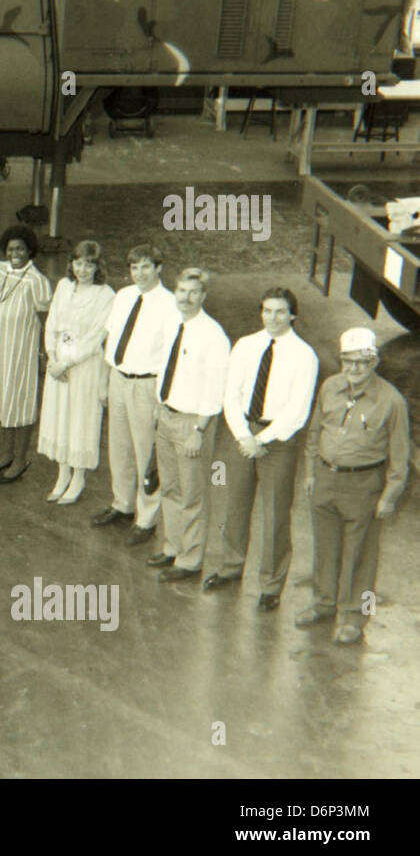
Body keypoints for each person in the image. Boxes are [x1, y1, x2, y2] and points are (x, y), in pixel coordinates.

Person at [204, 287, 319, 610]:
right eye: (267, 310)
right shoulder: (246, 345)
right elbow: (231, 394)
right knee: (234, 505)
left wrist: (263, 440)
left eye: (280, 311)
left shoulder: (304, 355)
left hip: (278, 440)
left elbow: (298, 409)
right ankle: (230, 566)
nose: (273, 317)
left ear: (293, 315)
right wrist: (244, 436)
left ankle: (270, 585)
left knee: (275, 515)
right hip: (243, 435)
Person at [296, 327, 410, 644]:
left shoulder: (391, 401)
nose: (355, 369)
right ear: (341, 361)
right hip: (326, 478)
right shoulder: (330, 388)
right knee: (326, 548)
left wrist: (389, 496)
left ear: (374, 361)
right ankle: (324, 603)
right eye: (348, 362)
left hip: (364, 485)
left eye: (362, 362)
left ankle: (355, 618)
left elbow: (400, 459)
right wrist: (310, 472)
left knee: (361, 556)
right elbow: (314, 433)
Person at [147, 269, 231, 583]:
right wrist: (159, 404)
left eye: (193, 292)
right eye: (181, 290)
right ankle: (172, 546)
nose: (186, 297)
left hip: (192, 424)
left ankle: (190, 559)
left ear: (204, 296)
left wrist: (199, 430)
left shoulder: (213, 336)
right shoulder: (173, 323)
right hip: (167, 416)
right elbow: (164, 366)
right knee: (169, 486)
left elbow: (215, 389)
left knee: (191, 494)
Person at [91, 244, 178, 546]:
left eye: (145, 267)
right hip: (118, 377)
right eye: (133, 267)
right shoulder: (124, 296)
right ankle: (122, 503)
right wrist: (105, 381)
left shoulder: (170, 305)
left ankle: (147, 517)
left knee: (145, 453)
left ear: (159, 268)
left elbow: (170, 358)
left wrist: (160, 399)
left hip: (146, 385)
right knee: (119, 447)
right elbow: (110, 341)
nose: (138, 273)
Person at [36, 240, 116, 504]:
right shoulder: (63, 286)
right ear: (71, 263)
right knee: (60, 416)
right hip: (58, 360)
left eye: (89, 264)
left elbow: (96, 339)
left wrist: (66, 363)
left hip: (83, 365)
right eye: (79, 262)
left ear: (97, 266)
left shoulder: (106, 295)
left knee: (80, 418)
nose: (83, 269)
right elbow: (51, 324)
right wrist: (52, 356)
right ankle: (62, 474)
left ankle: (78, 476)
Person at [0, 224, 53, 482]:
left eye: (20, 249)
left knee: (21, 404)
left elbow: (46, 321)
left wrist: (44, 354)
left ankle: (20, 458)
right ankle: (5, 453)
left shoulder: (38, 281)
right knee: (4, 402)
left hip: (20, 352)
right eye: (10, 249)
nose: (15, 253)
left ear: (30, 250)